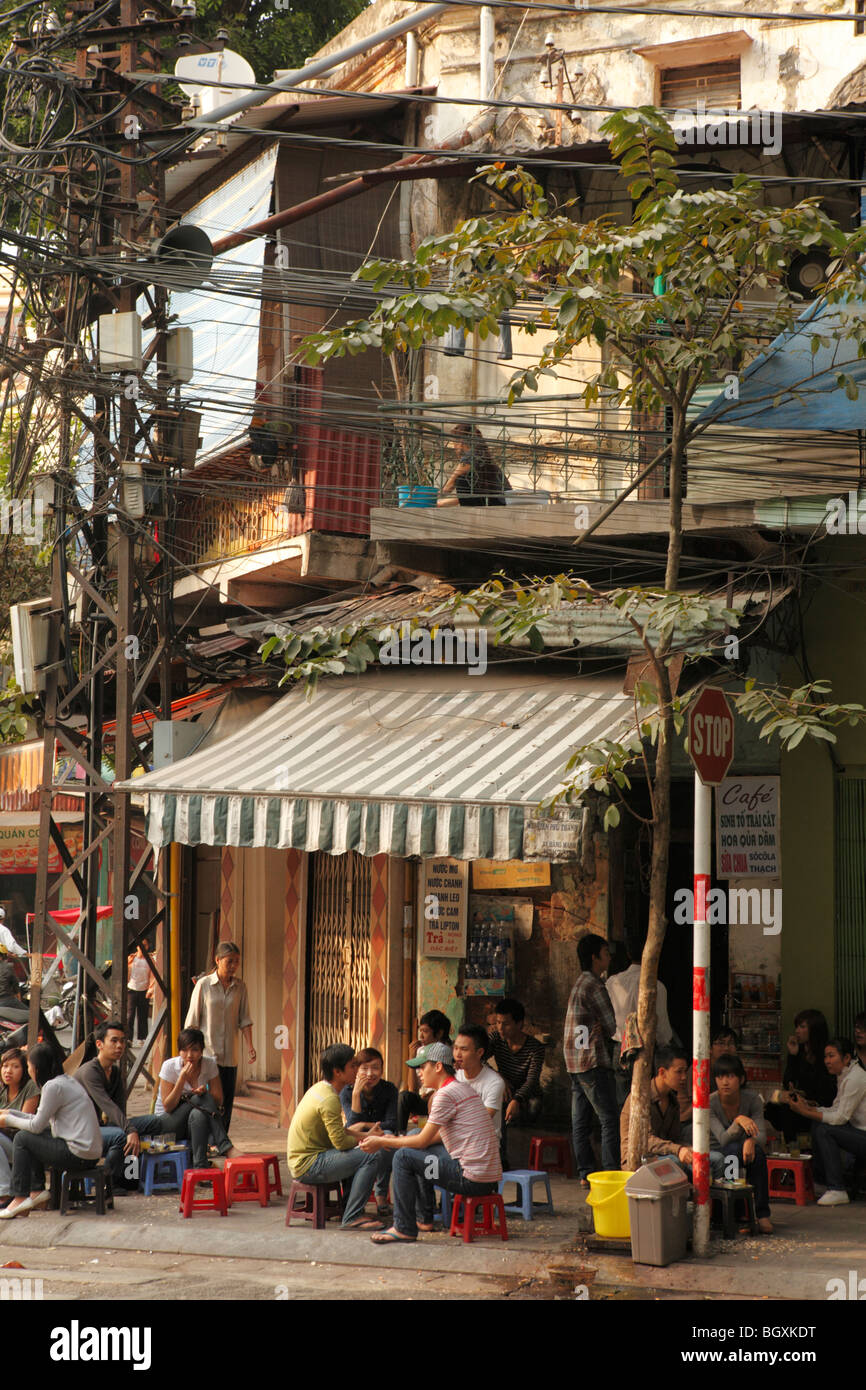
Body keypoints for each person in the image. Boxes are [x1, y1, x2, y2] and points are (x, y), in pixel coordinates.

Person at [359, 1042, 502, 1244]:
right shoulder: (460, 1088)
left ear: (438, 1067)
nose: (418, 1072)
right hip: (485, 1177)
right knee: (413, 1140)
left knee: (403, 1157)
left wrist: (381, 1141)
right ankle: (423, 1218)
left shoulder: (445, 1094)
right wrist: (397, 1139)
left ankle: (403, 1228)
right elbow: (431, 1137)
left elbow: (423, 1141)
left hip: (470, 1179)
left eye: (422, 1066)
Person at [287, 1043, 388, 1231]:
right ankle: (352, 1216)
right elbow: (341, 1143)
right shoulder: (329, 1099)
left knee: (366, 1150)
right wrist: (366, 1141)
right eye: (353, 1066)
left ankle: (349, 1210)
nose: (357, 1070)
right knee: (372, 1154)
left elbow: (340, 1133)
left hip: (308, 1159)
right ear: (338, 1072)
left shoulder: (320, 1089)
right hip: (309, 1164)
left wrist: (365, 1136)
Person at [0, 1043, 102, 1219]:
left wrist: (7, 1120)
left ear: (38, 1068)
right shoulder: (65, 1081)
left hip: (78, 1154)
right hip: (88, 1152)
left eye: (29, 1066)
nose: (29, 1070)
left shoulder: (52, 1087)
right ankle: (37, 1191)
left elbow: (36, 1126)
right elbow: (40, 1121)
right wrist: (11, 1113)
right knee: (30, 1136)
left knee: (23, 1138)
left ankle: (19, 1197)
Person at [564, 934, 619, 1181]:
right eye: (605, 952)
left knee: (581, 1122)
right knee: (609, 1119)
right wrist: (600, 1028)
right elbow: (611, 1025)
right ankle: (610, 1173)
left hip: (575, 1062)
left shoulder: (580, 982)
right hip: (590, 1062)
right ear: (595, 957)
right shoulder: (595, 986)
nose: (609, 957)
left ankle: (586, 1173)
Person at [184, 941, 255, 1131]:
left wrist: (250, 1047)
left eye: (236, 962)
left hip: (230, 1055)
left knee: (227, 1099)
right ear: (218, 960)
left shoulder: (240, 987)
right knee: (209, 1099)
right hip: (207, 1054)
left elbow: (245, 1019)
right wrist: (190, 1054)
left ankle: (222, 1139)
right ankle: (206, 1138)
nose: (233, 966)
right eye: (229, 961)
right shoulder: (203, 985)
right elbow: (192, 1022)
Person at [787, 1036, 866, 1206]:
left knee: (824, 1129)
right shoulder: (844, 1075)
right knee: (819, 1124)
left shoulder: (855, 1078)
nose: (827, 1061)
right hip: (857, 1131)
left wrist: (805, 1112)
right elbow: (835, 1108)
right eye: (825, 1056)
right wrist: (810, 1108)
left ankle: (837, 1188)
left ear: (845, 1058)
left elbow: (840, 1118)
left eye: (831, 1056)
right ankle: (823, 1183)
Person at [153, 1027, 238, 1170]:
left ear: (202, 1050)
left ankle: (200, 1167)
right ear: (179, 1050)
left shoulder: (209, 1064)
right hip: (168, 1123)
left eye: (195, 1050)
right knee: (201, 1100)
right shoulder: (169, 1067)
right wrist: (182, 1080)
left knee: (199, 1113)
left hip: (194, 1122)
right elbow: (168, 1106)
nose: (189, 1055)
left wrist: (204, 1092)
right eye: (184, 1050)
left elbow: (218, 1101)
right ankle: (225, 1146)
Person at [709, 1053, 773, 1234]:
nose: (725, 1082)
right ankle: (736, 1214)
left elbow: (762, 1135)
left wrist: (750, 1140)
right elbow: (722, 1139)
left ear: (741, 1079)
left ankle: (762, 1214)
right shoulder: (711, 1102)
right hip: (717, 1151)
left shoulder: (752, 1100)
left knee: (758, 1154)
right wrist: (739, 1121)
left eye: (730, 1076)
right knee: (731, 1152)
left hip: (743, 1150)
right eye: (720, 1076)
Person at [75, 1020, 143, 1190]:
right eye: (114, 1041)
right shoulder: (89, 1071)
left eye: (122, 1041)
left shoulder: (116, 1072)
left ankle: (130, 1178)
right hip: (80, 1131)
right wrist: (129, 1130)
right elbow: (107, 1106)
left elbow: (119, 1109)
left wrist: (131, 1129)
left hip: (100, 1127)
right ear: (100, 1044)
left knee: (145, 1127)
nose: (119, 1046)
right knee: (123, 1135)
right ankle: (108, 1181)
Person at [606, 940, 673, 1108]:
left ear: (628, 954)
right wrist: (664, 1046)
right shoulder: (658, 986)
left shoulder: (612, 983)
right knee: (645, 1101)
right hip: (647, 1049)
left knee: (622, 1103)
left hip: (620, 1048)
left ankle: (624, 1134)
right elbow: (663, 1029)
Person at [339, 1047, 398, 1219]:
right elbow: (352, 1127)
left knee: (386, 1136)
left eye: (375, 1068)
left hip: (382, 1137)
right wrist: (357, 1094)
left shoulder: (389, 1089)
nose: (370, 1073)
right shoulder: (348, 1092)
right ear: (356, 1069)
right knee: (353, 1143)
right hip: (357, 1139)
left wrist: (371, 1129)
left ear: (382, 1070)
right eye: (364, 1068)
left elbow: (393, 1123)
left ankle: (380, 1195)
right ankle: (352, 1200)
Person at [487, 998, 545, 1164]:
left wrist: (517, 1099)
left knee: (532, 1107)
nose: (500, 1028)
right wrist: (499, 1077)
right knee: (497, 1106)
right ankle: (500, 1160)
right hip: (505, 1091)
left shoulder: (535, 1048)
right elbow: (479, 1060)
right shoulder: (495, 1039)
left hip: (527, 1096)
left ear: (520, 1024)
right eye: (497, 1022)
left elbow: (532, 1080)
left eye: (505, 1024)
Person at [765, 1008, 835, 1142]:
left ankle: (792, 1146)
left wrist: (807, 1099)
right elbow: (788, 1082)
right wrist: (793, 1054)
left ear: (814, 1029)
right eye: (796, 1026)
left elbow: (825, 1088)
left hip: (818, 1105)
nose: (797, 1030)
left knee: (788, 1111)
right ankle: (789, 1145)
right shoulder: (800, 1051)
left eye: (802, 1027)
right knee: (772, 1106)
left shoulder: (826, 1053)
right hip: (799, 1100)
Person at [397, 1009, 452, 1133]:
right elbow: (413, 1089)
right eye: (420, 1031)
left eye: (425, 1032)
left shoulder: (450, 1053)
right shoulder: (421, 1051)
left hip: (442, 1102)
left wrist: (434, 1094)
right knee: (404, 1097)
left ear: (439, 1033)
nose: (421, 1036)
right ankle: (400, 1134)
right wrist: (412, 1057)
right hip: (425, 1103)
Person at [0, 1047, 39, 1209]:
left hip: (23, 1149)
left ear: (24, 1070)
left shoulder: (30, 1089)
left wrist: (5, 1119)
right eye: (5, 1066)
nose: (8, 1071)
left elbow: (24, 1123)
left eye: (15, 1066)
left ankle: (5, 1191)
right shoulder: (2, 1091)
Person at [453, 1024, 506, 1139]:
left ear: (479, 1052)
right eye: (456, 1048)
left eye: (464, 1049)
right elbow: (434, 1108)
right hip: (456, 1139)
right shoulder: (454, 1075)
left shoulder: (494, 1082)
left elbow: (480, 1122)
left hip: (481, 1145)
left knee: (406, 1152)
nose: (457, 1054)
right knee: (414, 1133)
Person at [437, 424, 509, 508]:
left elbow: (448, 487)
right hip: (503, 502)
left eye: (454, 443)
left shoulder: (469, 458)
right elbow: (466, 496)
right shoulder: (483, 455)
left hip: (495, 502)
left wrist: (428, 498)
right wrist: (441, 504)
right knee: (468, 482)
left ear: (460, 443)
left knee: (461, 480)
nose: (454, 447)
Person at [126, 939, 155, 1043]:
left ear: (148, 946)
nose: (143, 947)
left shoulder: (150, 960)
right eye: (141, 945)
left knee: (143, 1015)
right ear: (137, 946)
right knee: (130, 1015)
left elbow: (153, 976)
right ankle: (128, 1038)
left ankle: (142, 1038)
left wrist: (150, 990)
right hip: (131, 989)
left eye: (145, 945)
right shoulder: (131, 959)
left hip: (144, 990)